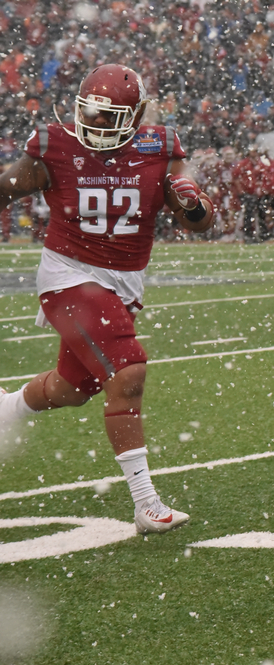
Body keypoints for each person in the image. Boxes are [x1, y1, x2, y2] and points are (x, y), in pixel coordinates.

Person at [0, 64, 214, 533]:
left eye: (107, 116)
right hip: (68, 275)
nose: (95, 124)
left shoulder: (159, 146)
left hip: (124, 281)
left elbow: (199, 223)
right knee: (127, 369)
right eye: (90, 114)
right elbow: (4, 188)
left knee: (71, 389)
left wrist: (191, 200)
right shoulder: (54, 145)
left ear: (136, 116)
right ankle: (145, 502)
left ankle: (5, 410)